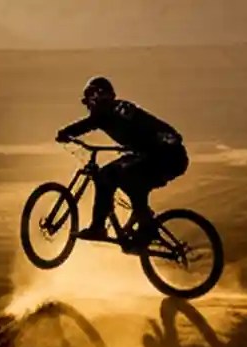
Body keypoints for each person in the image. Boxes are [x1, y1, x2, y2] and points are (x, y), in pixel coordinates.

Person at [55, 76, 188, 250]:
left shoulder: (109, 111)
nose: (88, 107)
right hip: (165, 156)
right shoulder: (117, 109)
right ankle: (142, 219)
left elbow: (89, 124)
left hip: (163, 156)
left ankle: (107, 228)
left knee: (114, 176)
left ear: (97, 97)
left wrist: (65, 133)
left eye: (89, 101)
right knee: (122, 177)